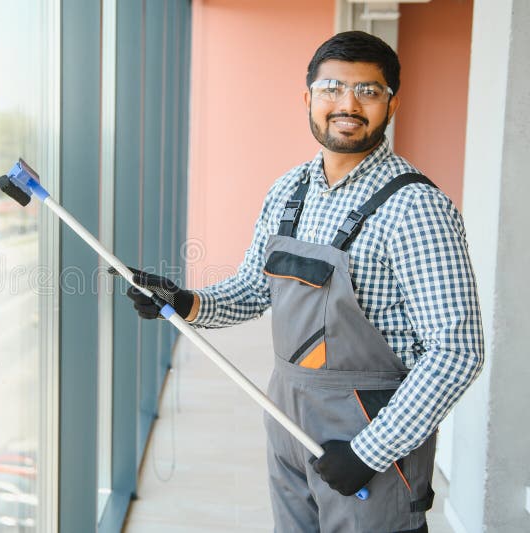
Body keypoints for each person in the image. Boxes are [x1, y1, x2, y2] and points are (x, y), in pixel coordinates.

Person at [118, 31, 484, 532]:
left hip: (374, 429)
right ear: (308, 97)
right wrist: (185, 302)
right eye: (332, 88)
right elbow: (252, 289)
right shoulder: (288, 190)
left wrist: (371, 450)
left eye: (368, 91)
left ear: (392, 104)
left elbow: (456, 350)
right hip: (288, 416)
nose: (347, 104)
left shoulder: (415, 207)